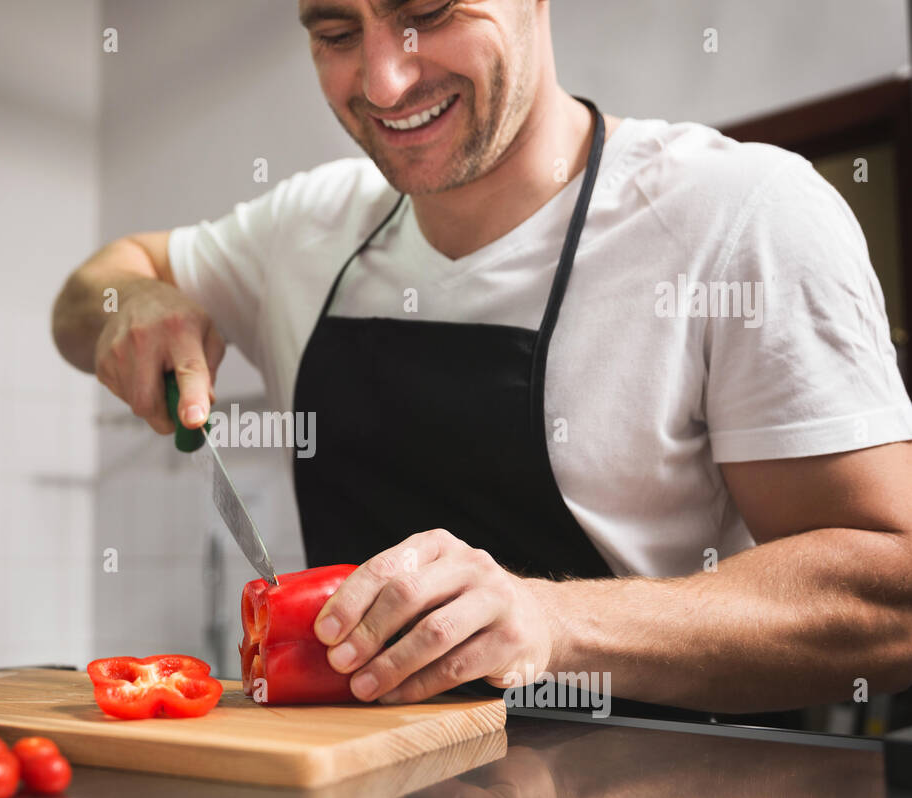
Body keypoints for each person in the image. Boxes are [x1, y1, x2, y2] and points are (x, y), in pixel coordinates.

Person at [53, 0, 912, 720]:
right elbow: (95, 286)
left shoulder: (740, 215)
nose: (385, 81)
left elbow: (891, 599)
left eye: (428, 13)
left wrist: (554, 621)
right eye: (337, 34)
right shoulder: (306, 226)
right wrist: (138, 305)